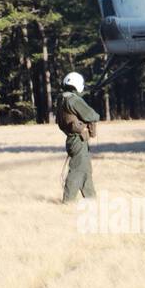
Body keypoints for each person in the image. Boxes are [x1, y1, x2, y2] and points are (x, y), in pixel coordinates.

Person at [56, 72, 99, 203]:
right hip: (78, 140)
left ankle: (91, 199)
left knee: (85, 170)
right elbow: (92, 115)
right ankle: (68, 202)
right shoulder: (73, 99)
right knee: (76, 170)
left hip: (73, 139)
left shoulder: (62, 98)